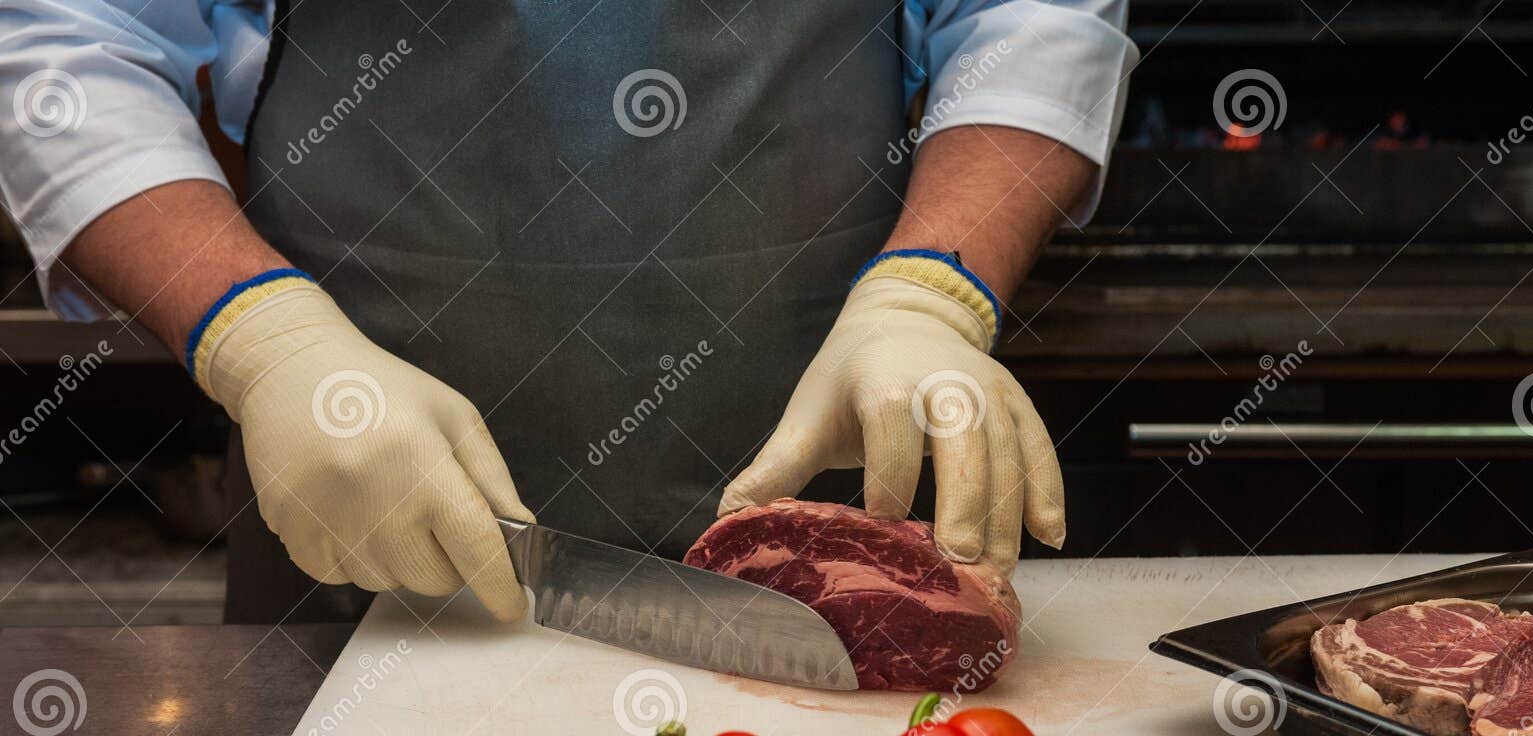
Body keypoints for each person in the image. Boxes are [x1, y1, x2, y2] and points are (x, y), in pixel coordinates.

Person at [0, 1, 1136, 623]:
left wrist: (928, 294)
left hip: (834, 554)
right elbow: (68, 42)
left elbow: (1029, 12)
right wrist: (261, 342)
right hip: (362, 539)